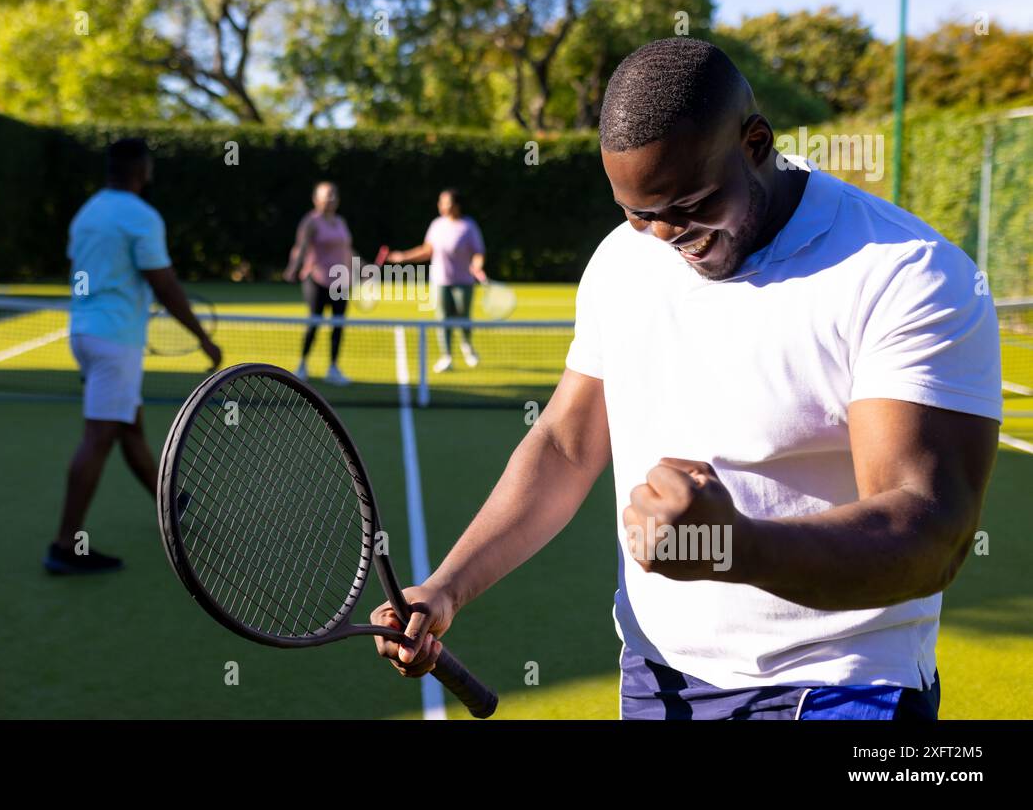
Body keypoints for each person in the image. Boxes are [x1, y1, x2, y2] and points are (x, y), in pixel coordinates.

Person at [370, 38, 1001, 720]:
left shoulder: (906, 273)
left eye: (690, 203)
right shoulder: (622, 260)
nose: (667, 233)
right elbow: (566, 445)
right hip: (658, 678)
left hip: (845, 684)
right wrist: (448, 587)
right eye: (637, 211)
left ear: (755, 142)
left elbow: (931, 529)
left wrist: (733, 545)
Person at [47, 137, 221, 575]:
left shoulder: (87, 212)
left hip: (84, 335)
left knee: (130, 429)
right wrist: (202, 337)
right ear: (143, 171)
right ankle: (65, 545)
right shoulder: (141, 217)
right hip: (115, 342)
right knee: (99, 436)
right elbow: (164, 283)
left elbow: (80, 271)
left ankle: (169, 504)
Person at [387, 188, 486, 373]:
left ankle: (468, 348)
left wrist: (477, 265)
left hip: (463, 281)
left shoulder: (468, 226)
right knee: (443, 319)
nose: (441, 206)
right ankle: (446, 356)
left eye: (446, 202)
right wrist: (403, 257)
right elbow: (427, 250)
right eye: (441, 202)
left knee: (463, 318)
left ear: (456, 205)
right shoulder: (436, 225)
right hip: (440, 280)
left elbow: (478, 252)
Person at [285, 181, 352, 385]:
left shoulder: (341, 222)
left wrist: (363, 267)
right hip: (316, 280)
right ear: (316, 199)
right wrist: (293, 268)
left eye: (333, 195)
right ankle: (302, 365)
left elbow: (347, 250)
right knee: (314, 323)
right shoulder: (311, 221)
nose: (330, 199)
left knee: (338, 325)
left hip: (340, 282)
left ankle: (333, 368)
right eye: (326, 195)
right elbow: (301, 247)